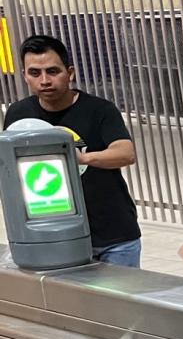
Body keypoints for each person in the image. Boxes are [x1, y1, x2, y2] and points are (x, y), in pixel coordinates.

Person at [2, 35, 140, 266]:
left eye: (53, 71)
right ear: (25, 76)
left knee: (116, 303)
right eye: (35, 73)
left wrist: (80, 157)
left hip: (112, 237)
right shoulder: (18, 114)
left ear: (70, 73)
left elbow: (125, 153)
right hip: (53, 235)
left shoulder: (99, 110)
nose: (44, 80)